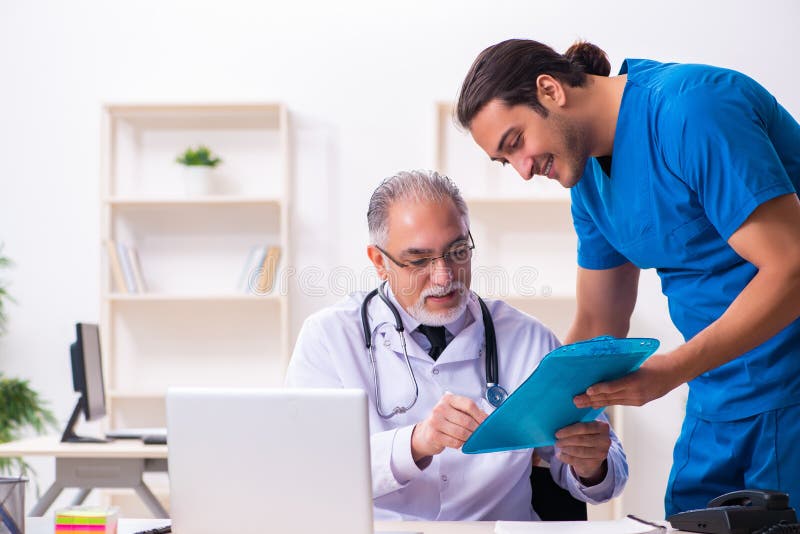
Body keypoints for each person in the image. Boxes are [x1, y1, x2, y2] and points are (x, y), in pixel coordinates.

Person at [455, 38, 800, 516]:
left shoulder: (692, 110)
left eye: (516, 143)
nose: (523, 170)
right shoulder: (586, 179)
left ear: (551, 89)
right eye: (504, 161)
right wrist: (524, 423)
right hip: (717, 398)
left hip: (789, 391)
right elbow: (600, 318)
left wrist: (674, 369)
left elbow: (791, 268)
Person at [285, 169, 628, 521]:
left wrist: (592, 466)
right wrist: (416, 442)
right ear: (379, 262)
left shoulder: (528, 339)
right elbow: (309, 470)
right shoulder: (329, 338)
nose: (444, 276)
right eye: (419, 260)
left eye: (458, 251)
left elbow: (609, 475)